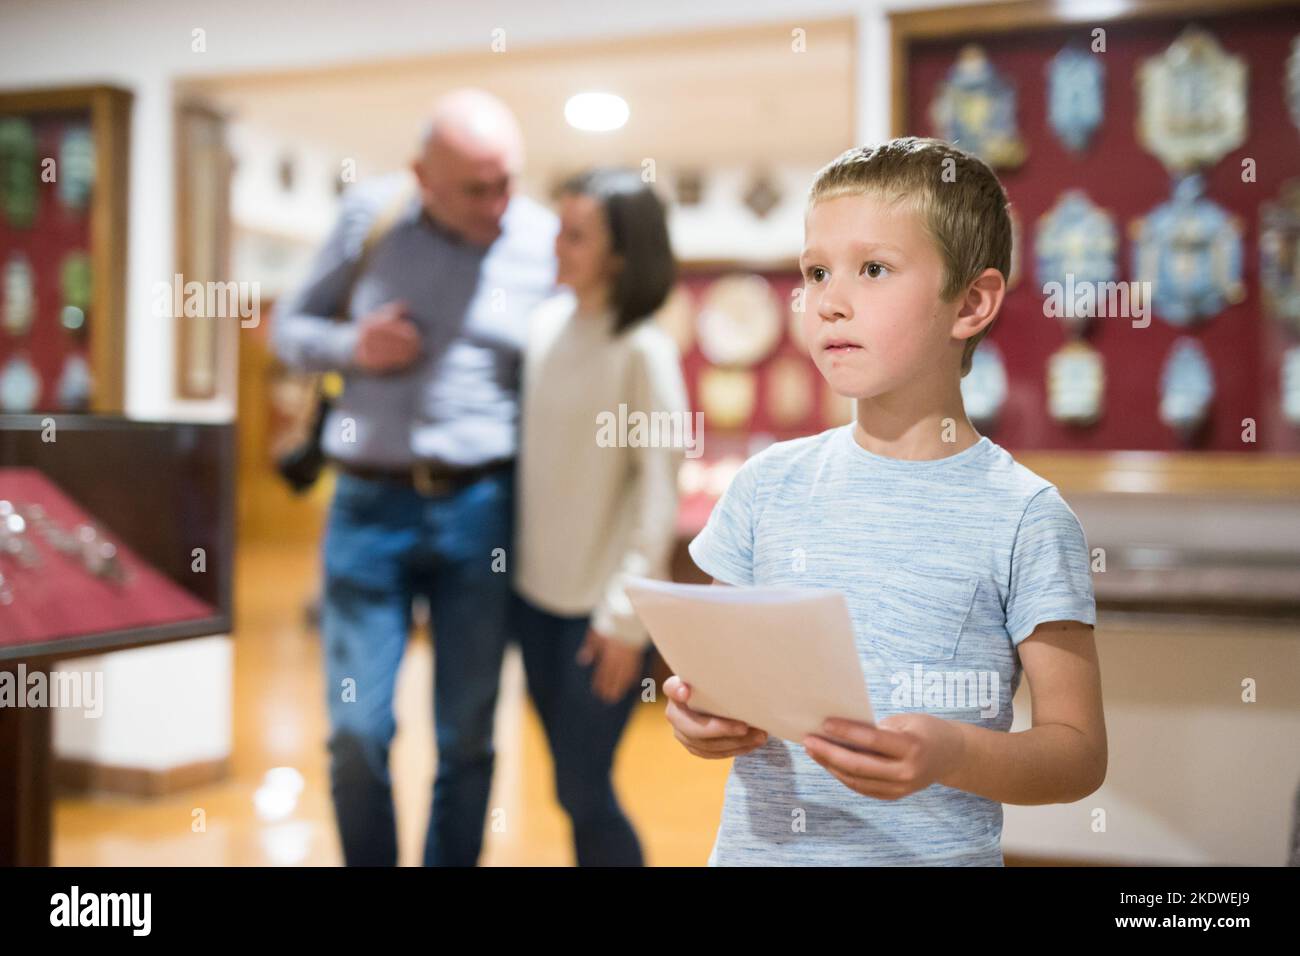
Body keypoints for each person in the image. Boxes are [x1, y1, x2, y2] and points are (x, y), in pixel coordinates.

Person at [664, 137, 1106, 865]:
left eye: (872, 270)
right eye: (815, 272)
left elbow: (1078, 753)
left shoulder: (1026, 516)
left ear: (971, 303)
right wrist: (696, 717)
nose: (828, 302)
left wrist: (951, 753)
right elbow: (714, 689)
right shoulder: (764, 486)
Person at [272, 89, 557, 866]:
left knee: (467, 735)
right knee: (358, 732)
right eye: (476, 188)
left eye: (509, 182)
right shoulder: (372, 216)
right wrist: (352, 347)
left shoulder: (543, 238)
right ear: (422, 175)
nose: (498, 205)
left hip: (485, 508)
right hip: (369, 506)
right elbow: (287, 331)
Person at [512, 168, 688, 866]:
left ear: (620, 253)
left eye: (575, 234)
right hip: (531, 604)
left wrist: (625, 616)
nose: (557, 244)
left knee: (585, 788)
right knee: (568, 787)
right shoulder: (544, 327)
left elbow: (657, 491)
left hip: (599, 617)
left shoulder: (644, 349)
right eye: (559, 228)